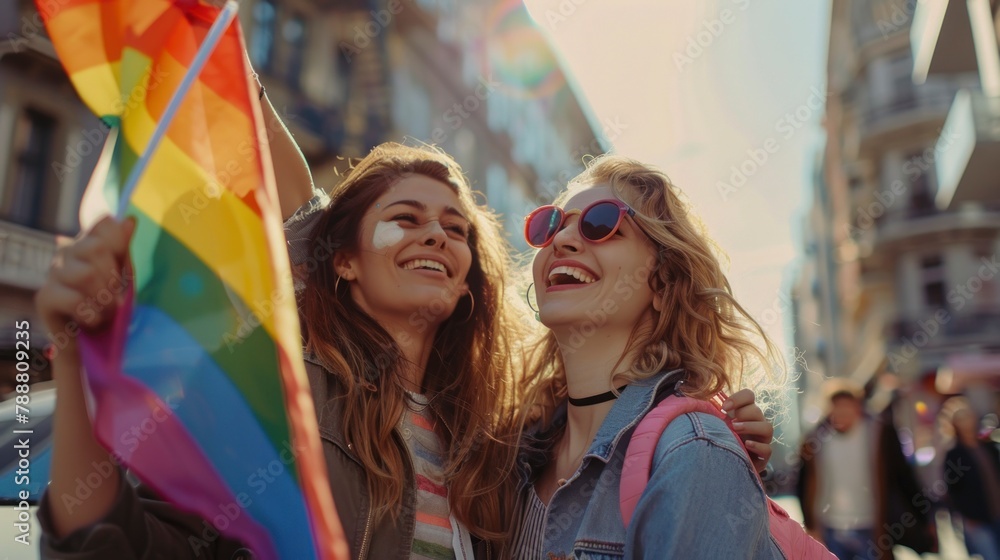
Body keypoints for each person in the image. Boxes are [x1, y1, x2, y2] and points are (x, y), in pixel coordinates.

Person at [34, 94, 776, 558]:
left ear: (468, 280)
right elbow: (121, 541)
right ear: (344, 262)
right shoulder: (276, 394)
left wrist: (704, 430)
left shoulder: (496, 441)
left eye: (456, 228)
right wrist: (67, 357)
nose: (436, 237)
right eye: (405, 220)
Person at [509, 155, 785, 558]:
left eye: (602, 224)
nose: (563, 240)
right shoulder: (510, 451)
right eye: (552, 224)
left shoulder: (694, 453)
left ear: (662, 282)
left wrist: (707, 471)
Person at [797, 380, 936, 560]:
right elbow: (803, 483)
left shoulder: (879, 434)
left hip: (871, 526)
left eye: (847, 407)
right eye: (837, 407)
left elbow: (904, 476)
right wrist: (810, 525)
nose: (842, 413)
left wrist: (924, 517)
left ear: (858, 408)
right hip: (831, 527)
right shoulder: (815, 440)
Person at [942, 397, 1000, 560]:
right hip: (977, 518)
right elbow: (953, 491)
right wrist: (967, 518)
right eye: (961, 418)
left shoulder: (988, 447)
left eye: (968, 415)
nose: (967, 421)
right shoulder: (954, 455)